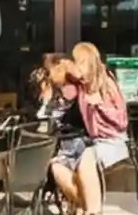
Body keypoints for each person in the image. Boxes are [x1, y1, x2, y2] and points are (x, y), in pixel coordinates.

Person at [50, 43, 130, 215]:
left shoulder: (105, 82)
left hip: (112, 140)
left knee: (87, 157)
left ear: (89, 62)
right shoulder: (81, 86)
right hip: (92, 140)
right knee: (57, 167)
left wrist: (100, 106)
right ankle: (84, 204)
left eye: (80, 63)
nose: (78, 67)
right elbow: (65, 91)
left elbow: (121, 120)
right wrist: (65, 72)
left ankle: (92, 210)